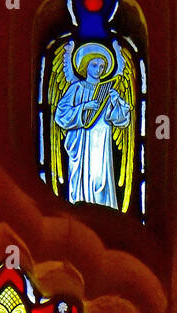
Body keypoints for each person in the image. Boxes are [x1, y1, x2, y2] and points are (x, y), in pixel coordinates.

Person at [53, 40, 132, 209]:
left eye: (102, 67)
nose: (98, 70)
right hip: (81, 142)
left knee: (100, 178)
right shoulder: (77, 88)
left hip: (101, 140)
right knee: (81, 178)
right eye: (94, 65)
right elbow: (61, 114)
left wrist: (116, 101)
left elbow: (121, 120)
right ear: (86, 66)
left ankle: (104, 211)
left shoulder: (108, 90)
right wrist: (83, 107)